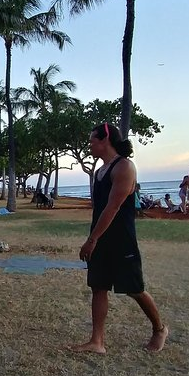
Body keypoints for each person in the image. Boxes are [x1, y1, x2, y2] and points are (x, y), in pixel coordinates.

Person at [72, 123, 168, 354]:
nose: (89, 146)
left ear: (105, 140)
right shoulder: (100, 171)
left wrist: (92, 240)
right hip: (100, 236)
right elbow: (99, 208)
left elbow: (112, 208)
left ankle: (160, 329)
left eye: (92, 141)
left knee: (134, 288)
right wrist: (95, 237)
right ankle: (97, 342)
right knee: (98, 287)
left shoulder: (124, 167)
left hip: (121, 239)